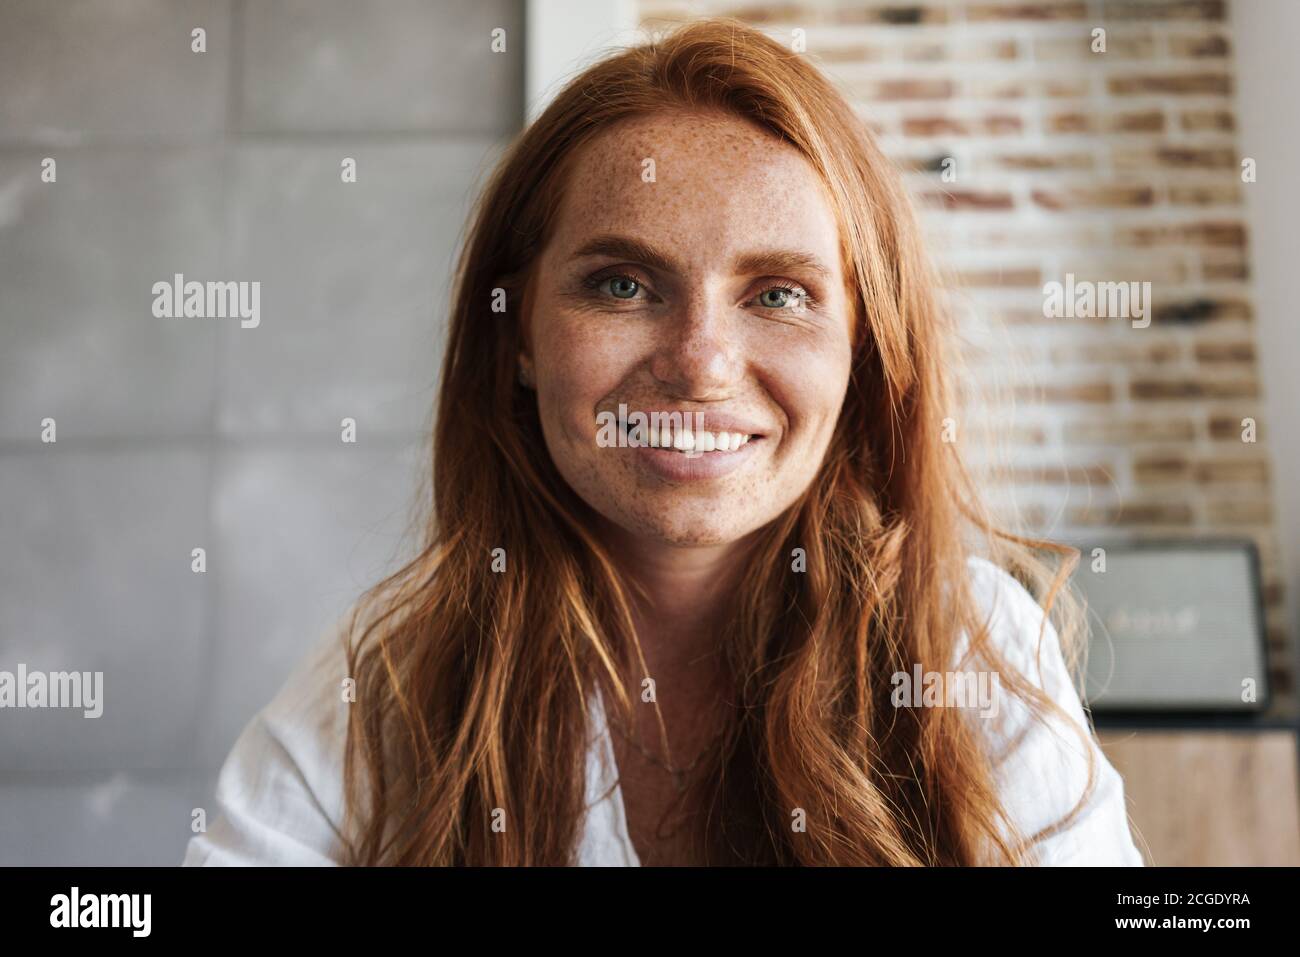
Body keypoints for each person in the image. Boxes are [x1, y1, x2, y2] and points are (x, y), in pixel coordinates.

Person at [184, 17, 1144, 867]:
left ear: (863, 343)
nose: (701, 365)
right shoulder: (392, 679)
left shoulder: (966, 645)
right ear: (517, 333)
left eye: (778, 294)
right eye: (622, 285)